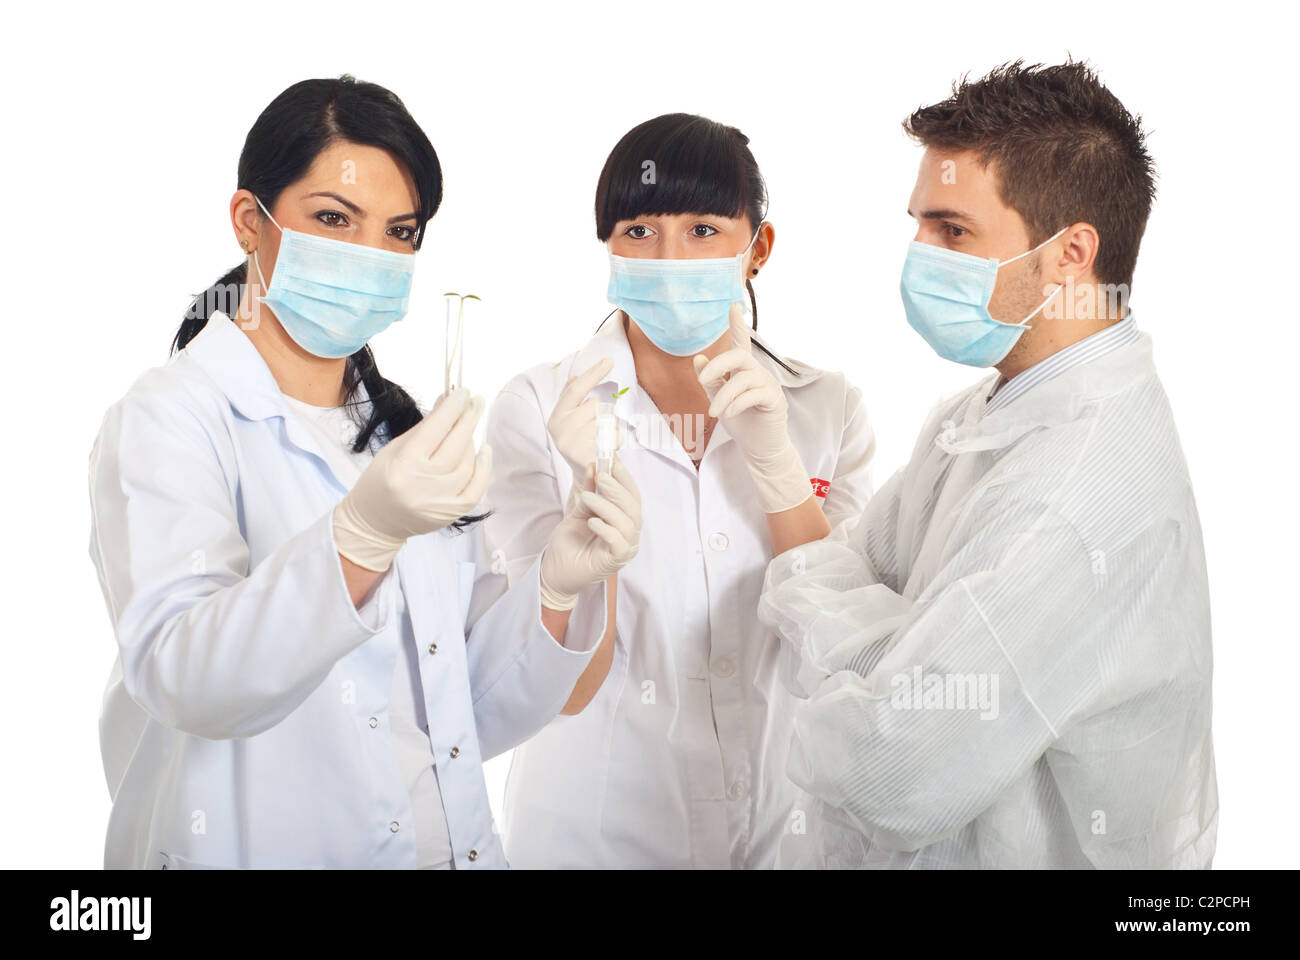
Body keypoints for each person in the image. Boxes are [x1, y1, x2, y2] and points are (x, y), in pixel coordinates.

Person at [88, 75, 640, 870]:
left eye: (399, 232)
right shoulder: (169, 418)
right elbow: (185, 677)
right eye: (332, 219)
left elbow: (465, 711)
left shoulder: (400, 437)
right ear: (252, 221)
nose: (369, 255)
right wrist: (361, 538)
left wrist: (556, 588)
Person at [758, 61, 1217, 869]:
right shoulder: (985, 412)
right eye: (918, 225)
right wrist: (902, 665)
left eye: (953, 231)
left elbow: (892, 772)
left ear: (1071, 253)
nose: (919, 253)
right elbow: (844, 564)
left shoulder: (1075, 492)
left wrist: (885, 683)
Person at [483, 113, 876, 868]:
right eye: (638, 231)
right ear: (607, 248)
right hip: (595, 834)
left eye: (702, 230)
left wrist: (779, 471)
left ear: (756, 249)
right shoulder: (539, 408)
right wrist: (586, 542)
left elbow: (840, 655)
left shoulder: (828, 409)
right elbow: (553, 686)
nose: (668, 258)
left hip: (781, 826)